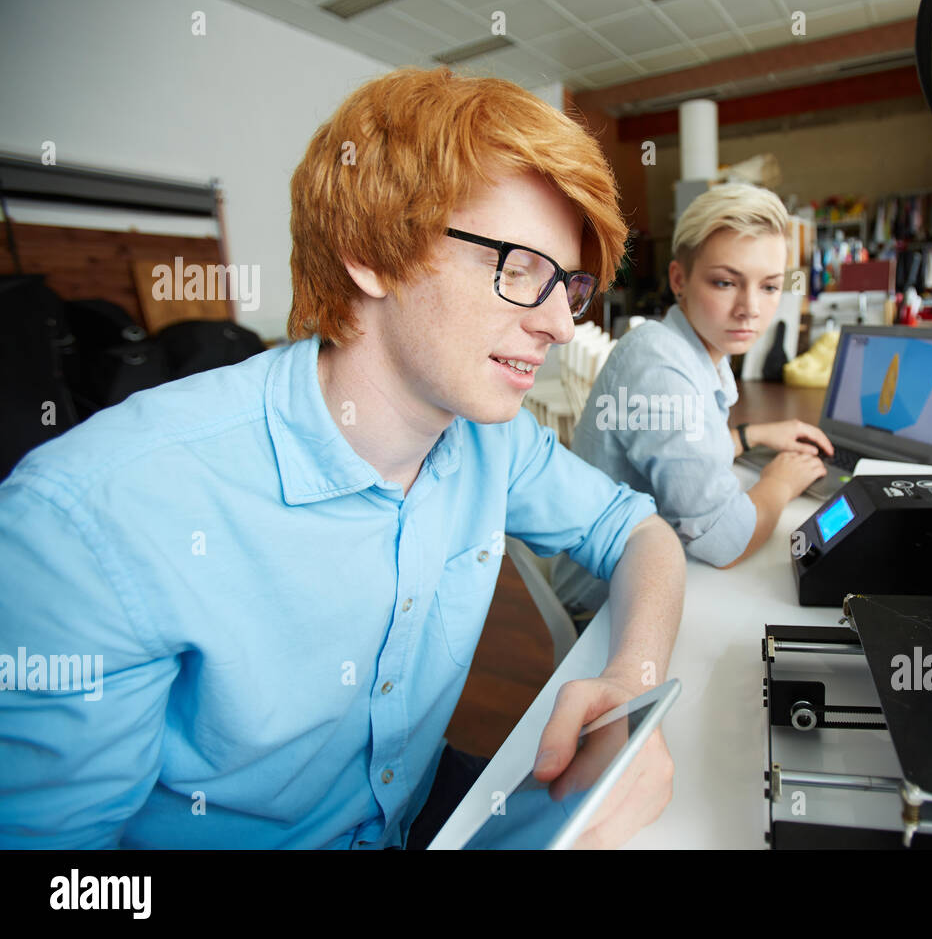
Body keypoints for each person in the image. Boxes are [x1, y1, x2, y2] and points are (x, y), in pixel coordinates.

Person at [0, 68, 684, 850]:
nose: (562, 326)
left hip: (413, 813)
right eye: (519, 268)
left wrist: (629, 681)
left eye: (568, 285)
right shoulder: (92, 521)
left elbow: (638, 532)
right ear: (371, 255)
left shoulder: (491, 436)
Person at [552, 183, 830, 615]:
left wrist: (753, 434)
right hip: (605, 609)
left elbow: (691, 444)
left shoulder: (690, 348)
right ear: (679, 279)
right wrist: (781, 482)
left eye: (770, 286)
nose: (750, 308)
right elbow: (727, 540)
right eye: (725, 282)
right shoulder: (658, 366)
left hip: (647, 574)